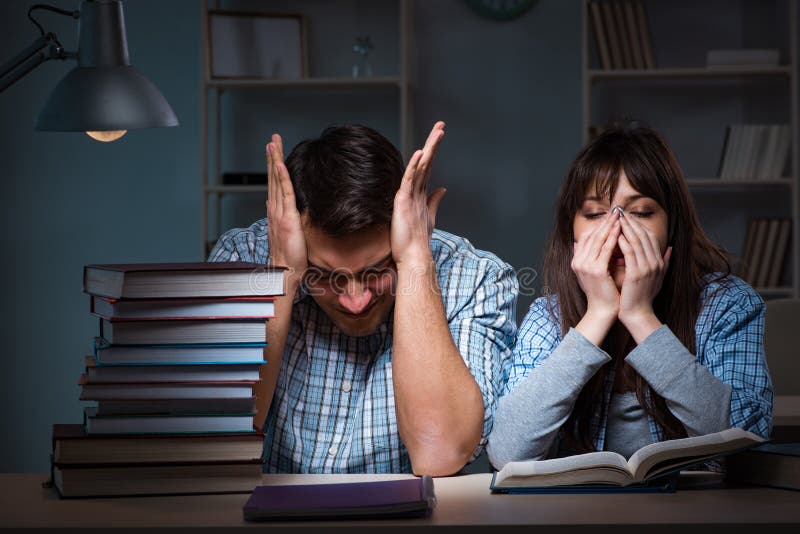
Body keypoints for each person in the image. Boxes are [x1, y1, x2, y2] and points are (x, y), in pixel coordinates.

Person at [209, 122, 517, 475]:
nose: (355, 301)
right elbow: (218, 439)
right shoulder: (243, 257)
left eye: (378, 269)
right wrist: (283, 274)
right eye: (324, 275)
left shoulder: (476, 278)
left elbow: (440, 453)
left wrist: (415, 261)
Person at [487, 122, 773, 468]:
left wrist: (641, 317)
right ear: (571, 233)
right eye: (594, 214)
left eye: (640, 212)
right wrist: (597, 314)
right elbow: (507, 454)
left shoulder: (728, 304)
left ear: (671, 227)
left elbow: (746, 444)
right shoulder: (547, 315)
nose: (617, 229)